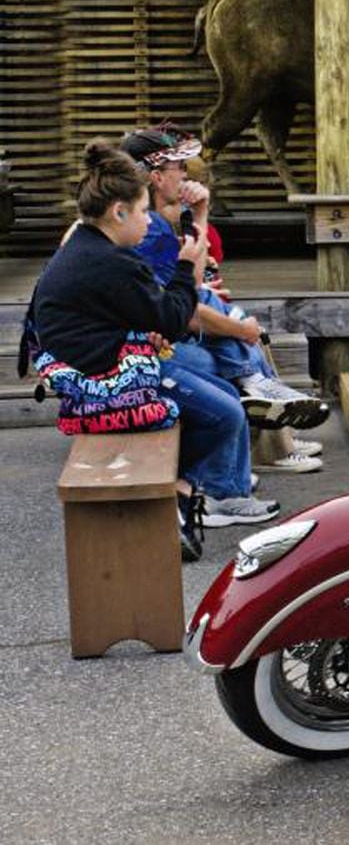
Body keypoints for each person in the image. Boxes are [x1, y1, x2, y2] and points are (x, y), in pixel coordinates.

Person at [29, 141, 279, 557]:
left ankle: (183, 494)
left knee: (224, 398)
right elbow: (172, 316)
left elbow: (145, 315)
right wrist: (186, 264)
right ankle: (183, 491)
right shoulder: (109, 261)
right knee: (225, 413)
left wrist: (148, 327)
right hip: (103, 379)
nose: (147, 220)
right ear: (119, 212)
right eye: (142, 211)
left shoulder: (93, 250)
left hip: (104, 360)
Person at [118, 126, 330, 432]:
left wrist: (200, 213)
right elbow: (186, 307)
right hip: (129, 354)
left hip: (147, 337)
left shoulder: (151, 223)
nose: (185, 176)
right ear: (157, 177)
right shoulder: (149, 230)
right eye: (180, 167)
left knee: (224, 316)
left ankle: (259, 398)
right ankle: (257, 398)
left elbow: (189, 287)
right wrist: (241, 329)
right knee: (225, 345)